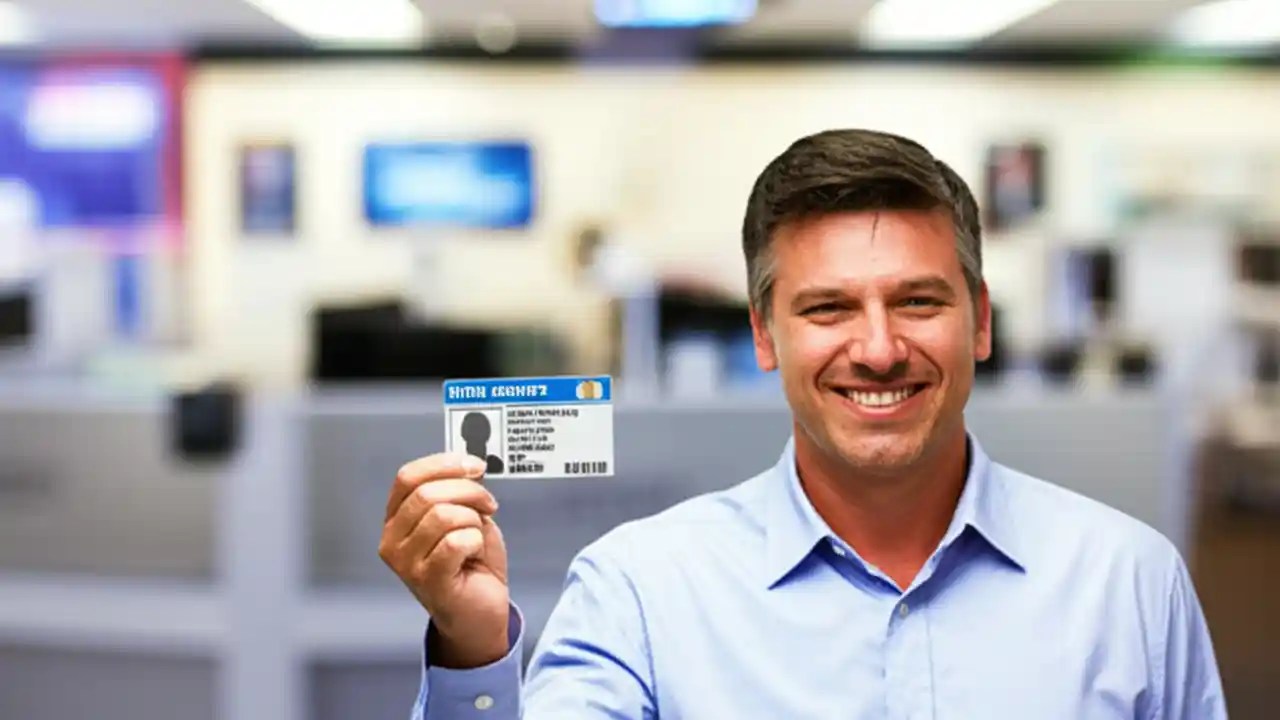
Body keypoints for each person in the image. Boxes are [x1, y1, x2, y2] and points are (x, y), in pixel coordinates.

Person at [378, 129, 1227, 719]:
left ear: (980, 322)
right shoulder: (641, 590)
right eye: (827, 308)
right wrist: (474, 646)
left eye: (919, 301)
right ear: (763, 336)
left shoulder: (1130, 584)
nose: (881, 348)